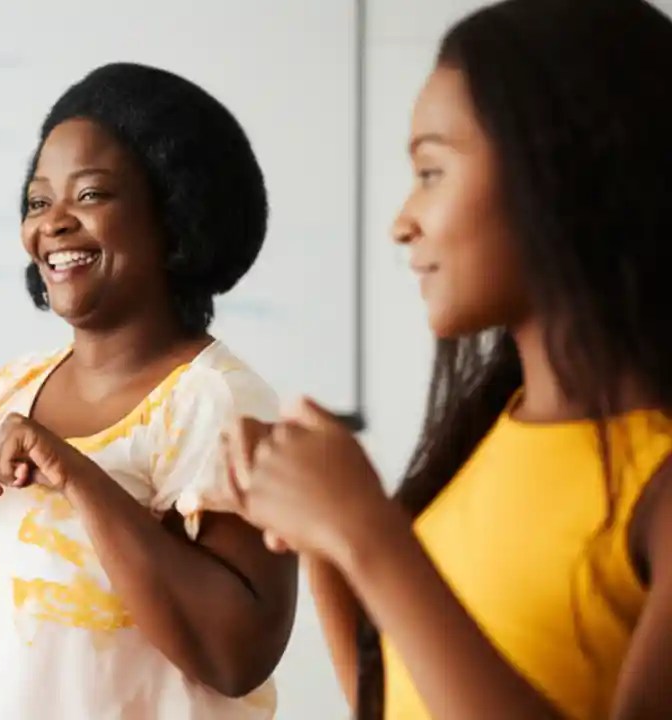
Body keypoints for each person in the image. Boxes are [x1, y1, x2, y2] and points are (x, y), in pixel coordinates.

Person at [220, 0, 672, 718]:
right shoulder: (493, 434)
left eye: (431, 171)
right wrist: (325, 541)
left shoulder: (658, 483)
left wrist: (370, 535)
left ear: (560, 172)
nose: (404, 221)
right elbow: (397, 699)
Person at [0, 62, 298, 719]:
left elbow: (236, 656)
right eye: (39, 201)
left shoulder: (217, 402)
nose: (54, 223)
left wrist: (75, 472)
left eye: (91, 195)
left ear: (172, 213)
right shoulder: (7, 391)